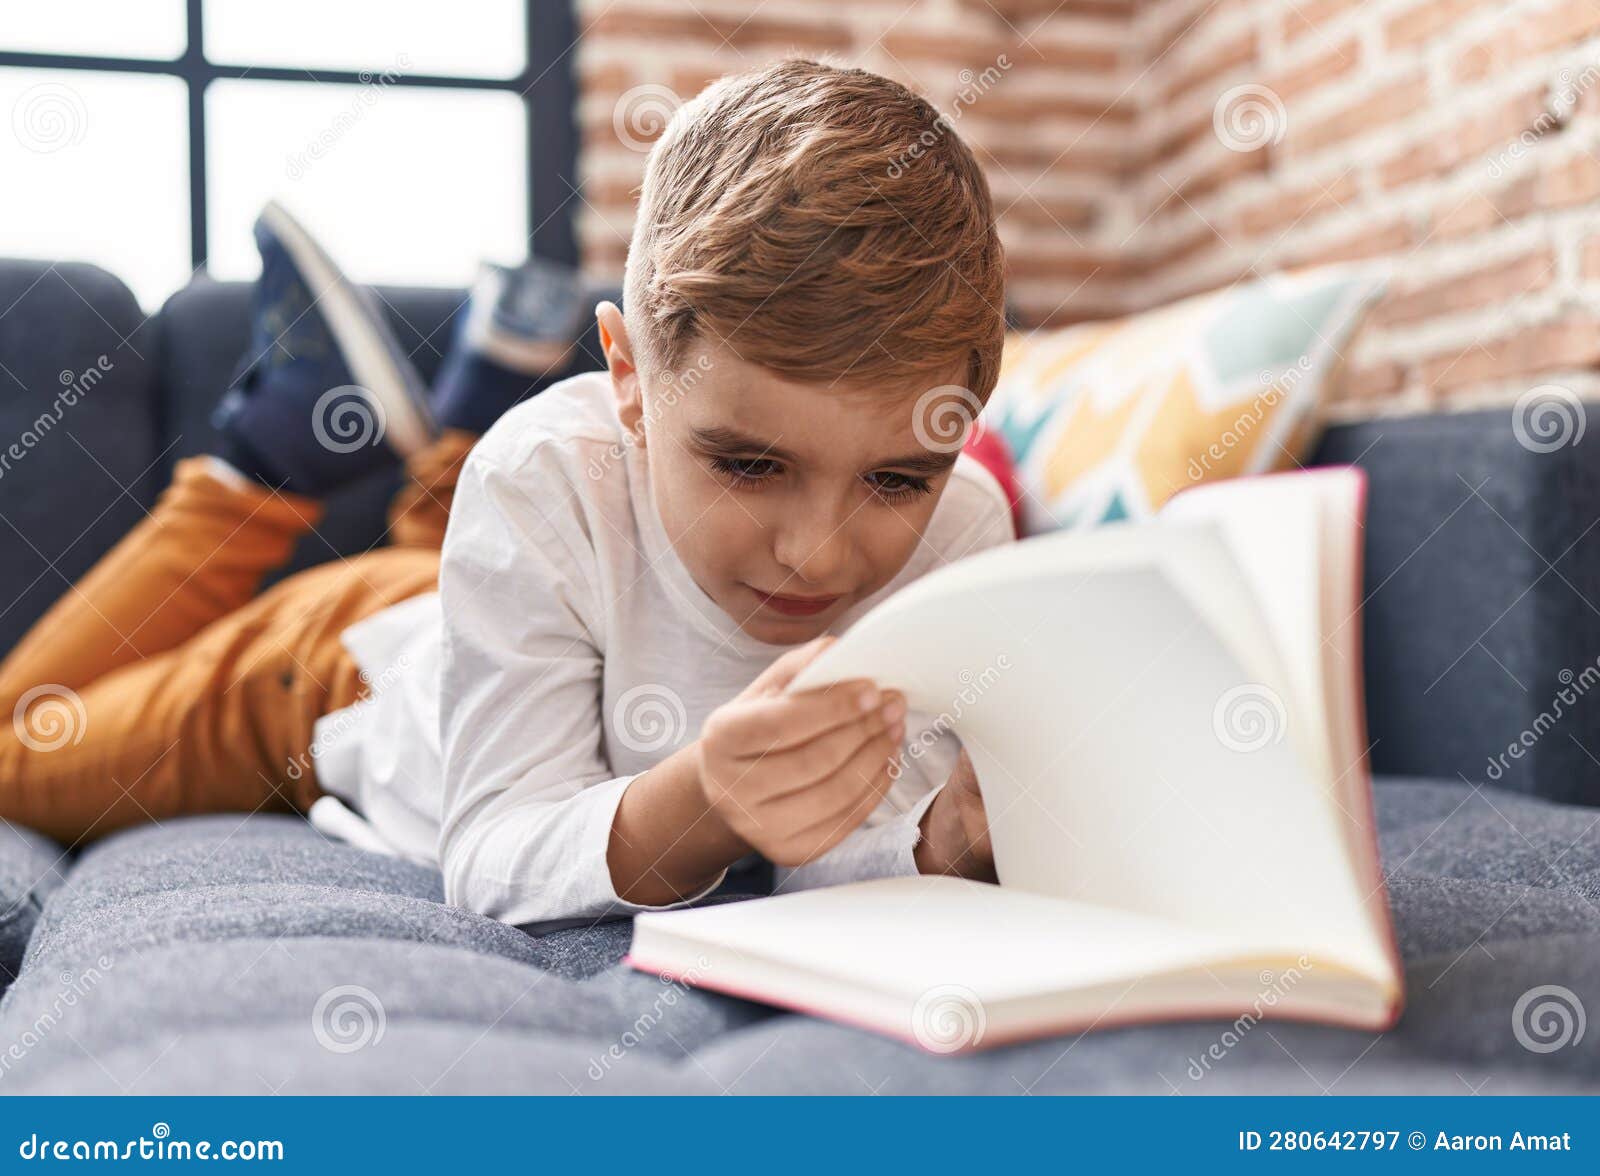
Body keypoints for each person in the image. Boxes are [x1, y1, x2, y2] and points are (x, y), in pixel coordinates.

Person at [0, 58, 1014, 932]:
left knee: (529, 494)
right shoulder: (545, 475)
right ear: (626, 376)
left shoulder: (966, 528)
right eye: (748, 465)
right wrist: (702, 800)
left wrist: (937, 840)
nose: (816, 555)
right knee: (15, 742)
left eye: (895, 479)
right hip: (332, 672)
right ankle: (263, 467)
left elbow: (833, 848)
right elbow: (490, 855)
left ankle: (459, 417)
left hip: (500, 579)